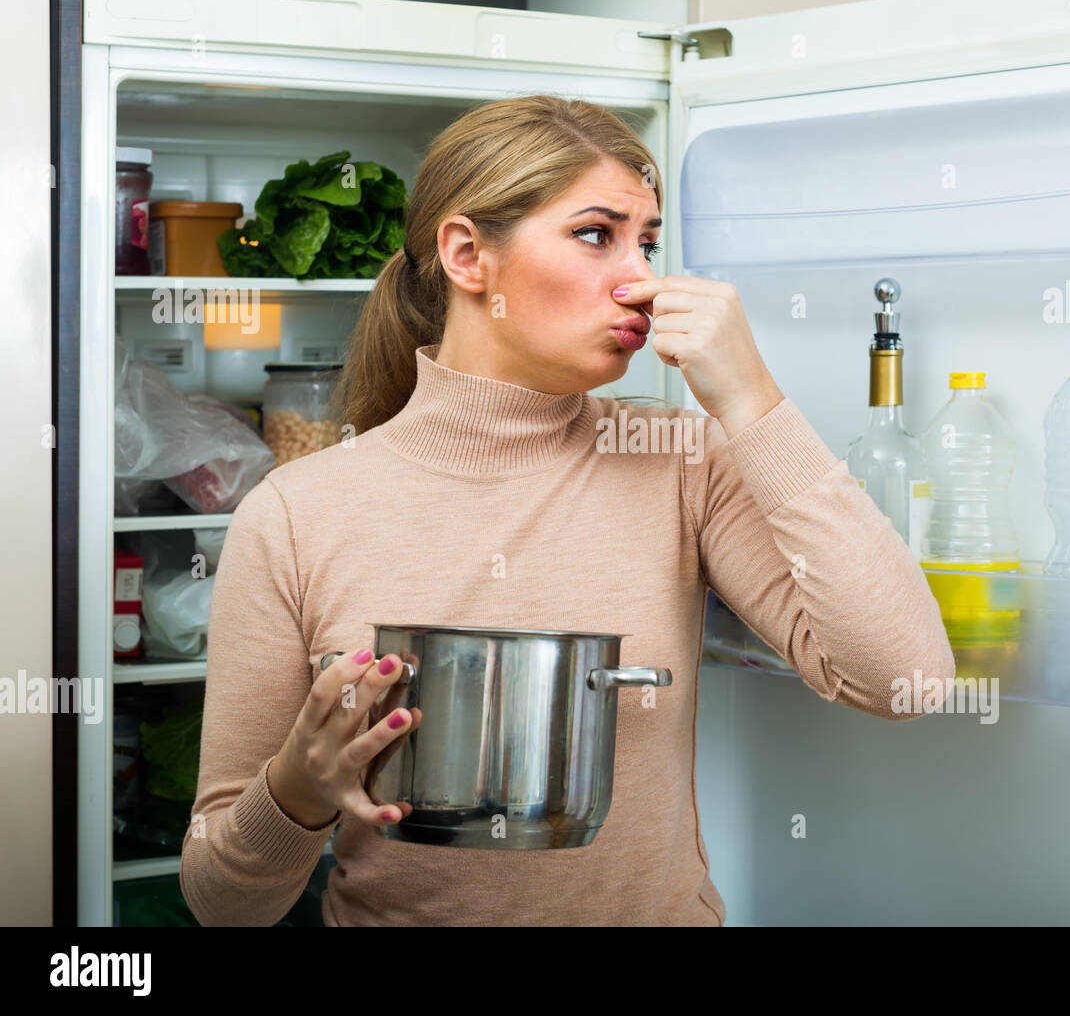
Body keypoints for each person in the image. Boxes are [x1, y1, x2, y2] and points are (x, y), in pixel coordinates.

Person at [179, 94, 954, 927]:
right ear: (468, 254)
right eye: (597, 234)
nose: (642, 280)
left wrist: (753, 400)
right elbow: (225, 905)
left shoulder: (683, 462)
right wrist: (297, 788)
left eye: (648, 241)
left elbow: (905, 678)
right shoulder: (295, 513)